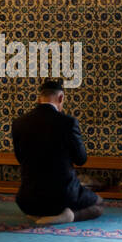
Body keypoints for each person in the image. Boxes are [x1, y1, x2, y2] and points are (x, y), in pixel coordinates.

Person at [12, 78, 103, 223]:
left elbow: (20, 158)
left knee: (39, 200)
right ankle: (69, 216)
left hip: (27, 199)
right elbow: (81, 159)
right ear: (61, 98)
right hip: (62, 196)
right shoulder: (68, 123)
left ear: (39, 98)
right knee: (98, 203)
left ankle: (40, 214)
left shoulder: (19, 123)